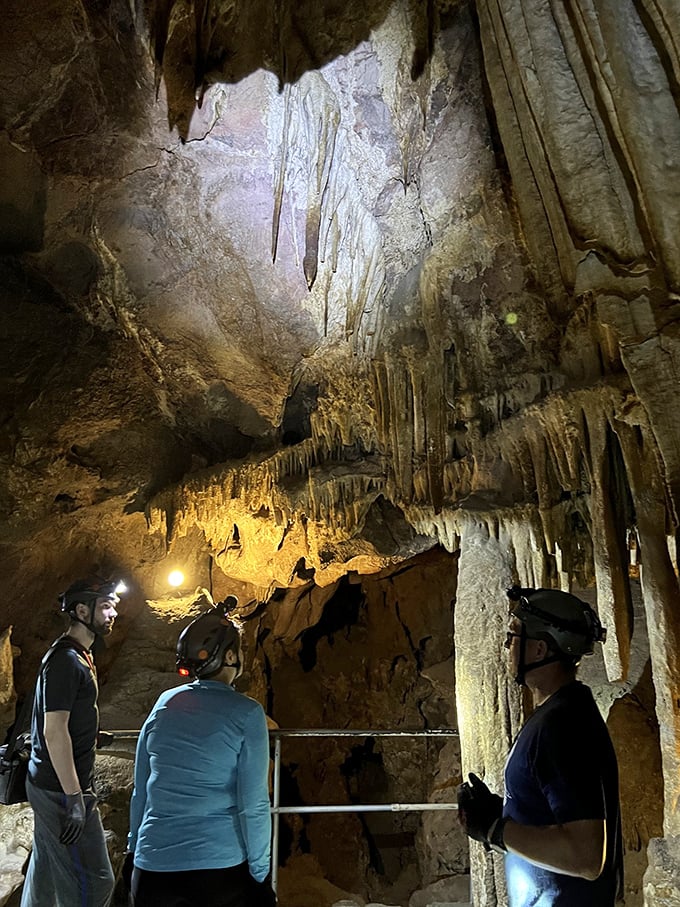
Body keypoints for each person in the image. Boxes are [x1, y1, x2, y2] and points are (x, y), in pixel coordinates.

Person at [457, 585, 623, 906]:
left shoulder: (563, 726)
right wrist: (505, 813)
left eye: (514, 635)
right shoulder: (560, 714)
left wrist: (497, 830)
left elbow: (586, 857)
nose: (507, 645)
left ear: (539, 650)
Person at [125, 598, 276, 907]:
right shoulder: (247, 713)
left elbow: (142, 790)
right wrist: (260, 875)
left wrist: (132, 853)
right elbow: (254, 804)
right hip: (217, 872)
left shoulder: (163, 704)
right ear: (231, 655)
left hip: (152, 869)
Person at [21, 576, 123, 907]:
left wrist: (90, 735)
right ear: (81, 610)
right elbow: (53, 730)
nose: (112, 614)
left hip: (52, 784)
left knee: (47, 872)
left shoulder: (78, 655)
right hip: (61, 789)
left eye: (113, 607)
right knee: (94, 882)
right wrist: (74, 798)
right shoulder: (66, 661)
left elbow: (65, 717)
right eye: (105, 606)